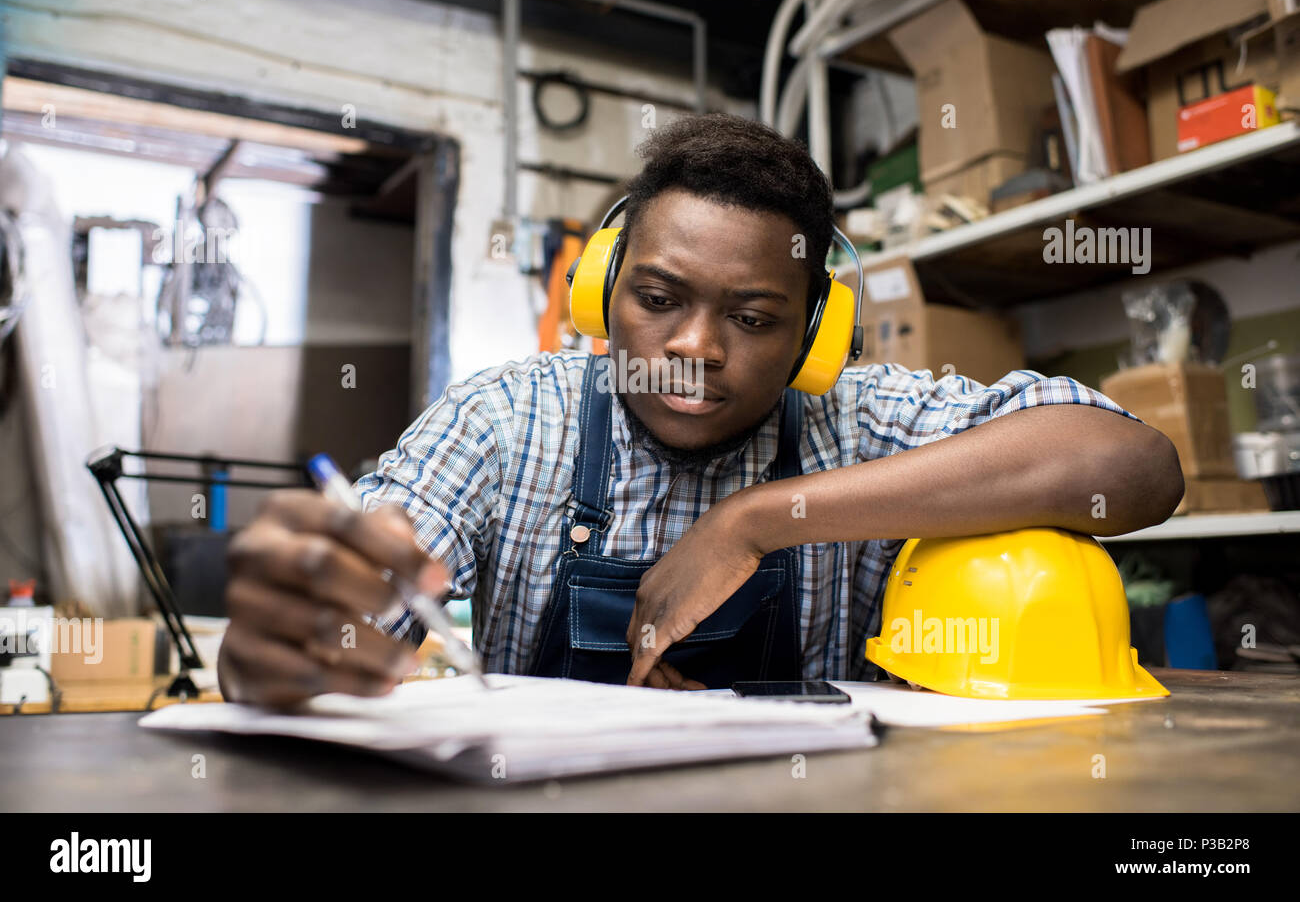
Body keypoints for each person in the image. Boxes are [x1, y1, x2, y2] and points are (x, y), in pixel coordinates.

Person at [217, 114, 1183, 706]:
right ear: (600, 295)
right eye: (658, 298)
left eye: (754, 317)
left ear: (813, 335)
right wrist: (299, 638)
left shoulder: (860, 419)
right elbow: (334, 639)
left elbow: (1136, 467)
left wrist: (757, 520)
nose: (694, 348)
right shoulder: (506, 422)